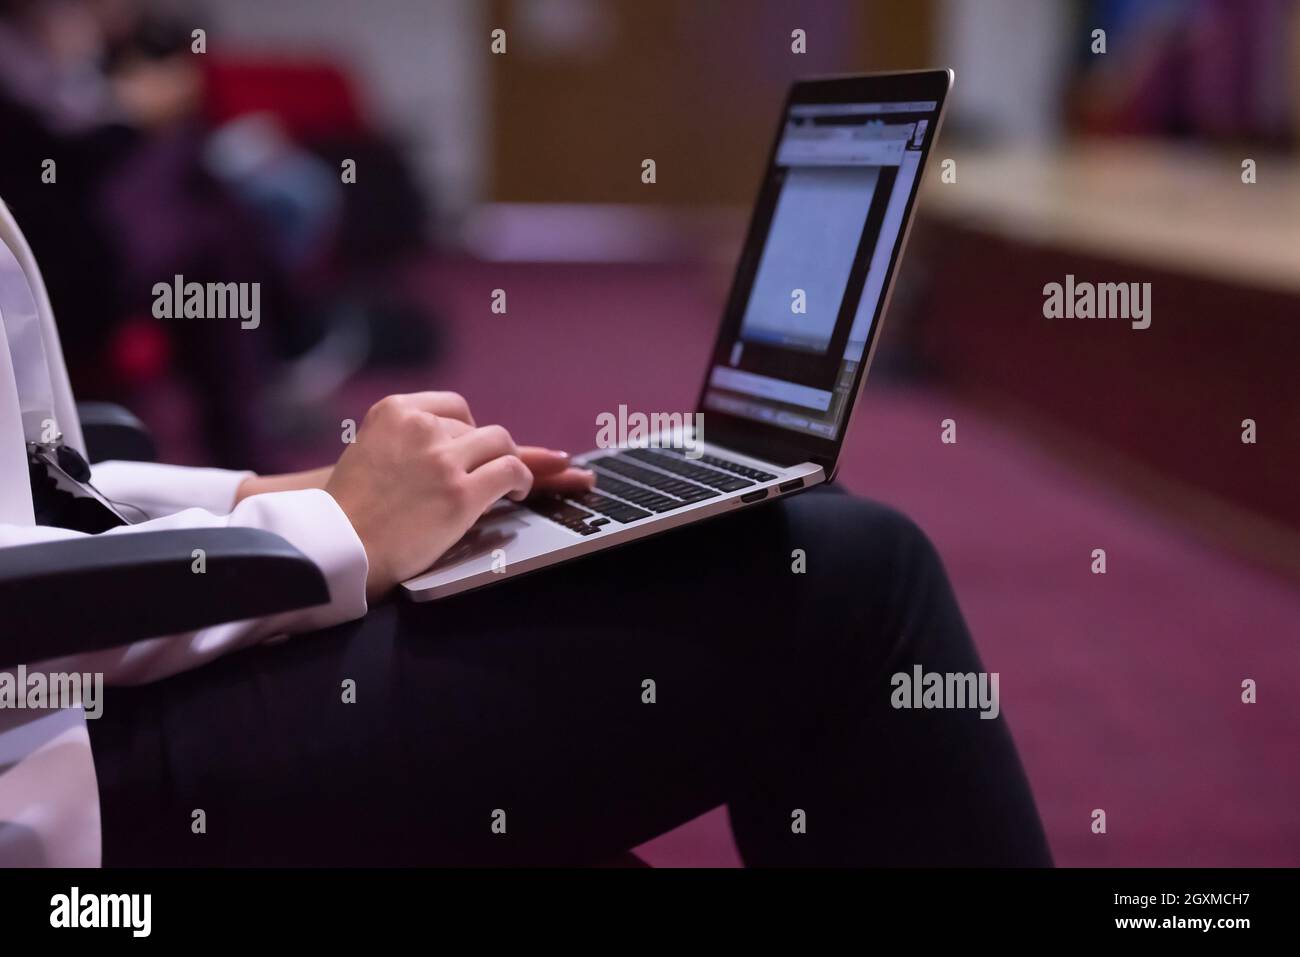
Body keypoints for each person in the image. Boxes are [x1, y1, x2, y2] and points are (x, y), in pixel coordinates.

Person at [0, 198, 1051, 868]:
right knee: (844, 573)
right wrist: (331, 530)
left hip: (83, 684)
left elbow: (34, 489)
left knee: (789, 511)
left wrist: (265, 493)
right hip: (68, 770)